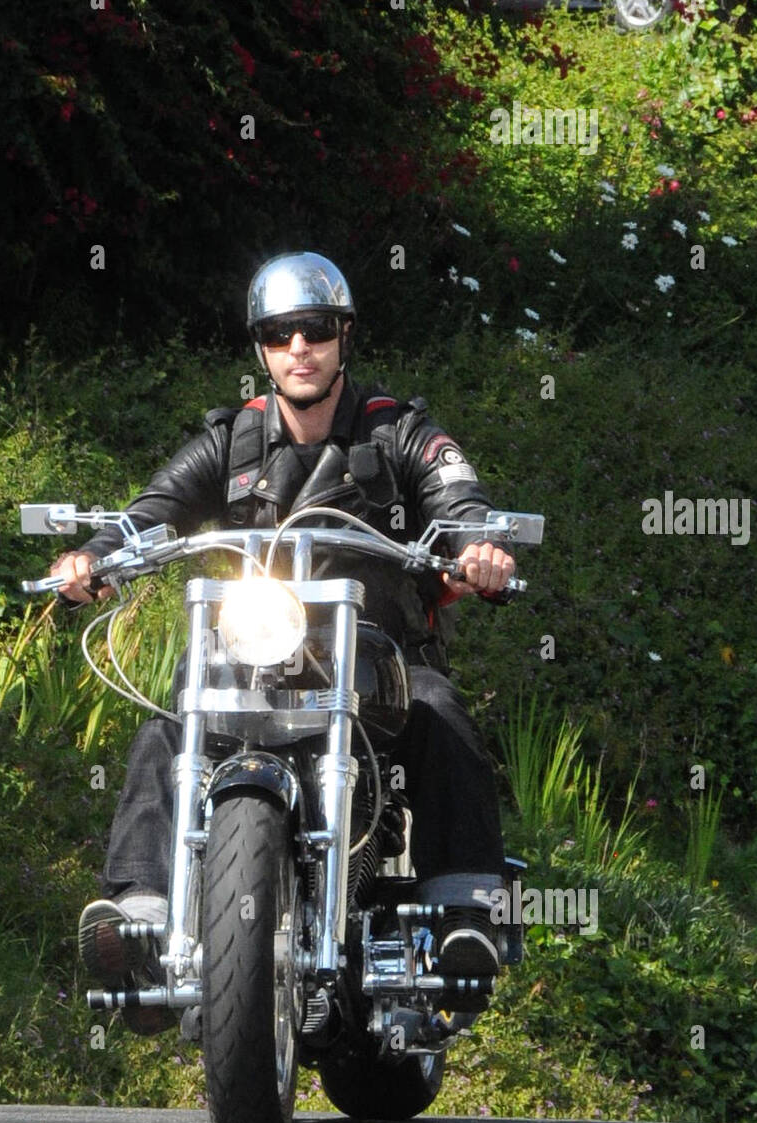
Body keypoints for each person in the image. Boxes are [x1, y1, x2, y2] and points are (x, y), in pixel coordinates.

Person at [52, 252, 516, 1034]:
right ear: (260, 348)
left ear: (343, 336)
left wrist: (478, 544)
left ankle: (465, 906)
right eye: (278, 333)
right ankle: (140, 911)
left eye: (314, 330)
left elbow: (457, 492)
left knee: (439, 709)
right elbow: (155, 507)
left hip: (375, 657)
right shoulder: (232, 440)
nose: (297, 347)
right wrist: (96, 555)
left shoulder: (397, 431)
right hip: (254, 653)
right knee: (169, 721)